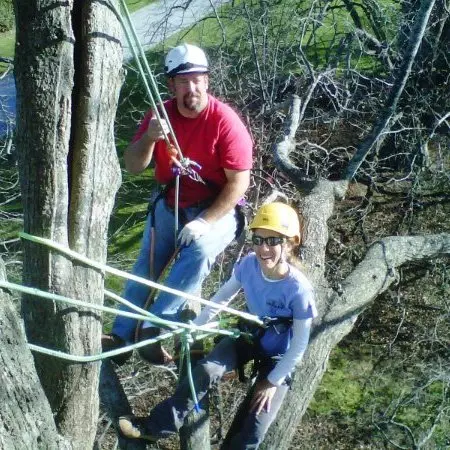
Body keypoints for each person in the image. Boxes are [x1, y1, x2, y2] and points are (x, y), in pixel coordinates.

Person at [118, 202, 317, 449]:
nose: (264, 248)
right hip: (249, 337)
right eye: (258, 239)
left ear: (289, 244)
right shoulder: (248, 265)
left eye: (273, 241)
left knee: (256, 423)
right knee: (207, 370)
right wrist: (196, 328)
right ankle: (153, 427)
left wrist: (272, 381)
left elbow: (299, 345)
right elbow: (221, 299)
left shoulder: (299, 290)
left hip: (279, 356)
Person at [102, 43, 253, 364]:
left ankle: (152, 327)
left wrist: (204, 222)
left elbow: (239, 182)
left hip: (219, 210)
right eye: (184, 81)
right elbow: (133, 165)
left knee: (197, 254)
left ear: (207, 81)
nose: (192, 88)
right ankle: (121, 335)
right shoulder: (159, 116)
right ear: (172, 85)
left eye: (198, 79)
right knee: (146, 267)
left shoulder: (224, 122)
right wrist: (149, 138)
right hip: (171, 205)